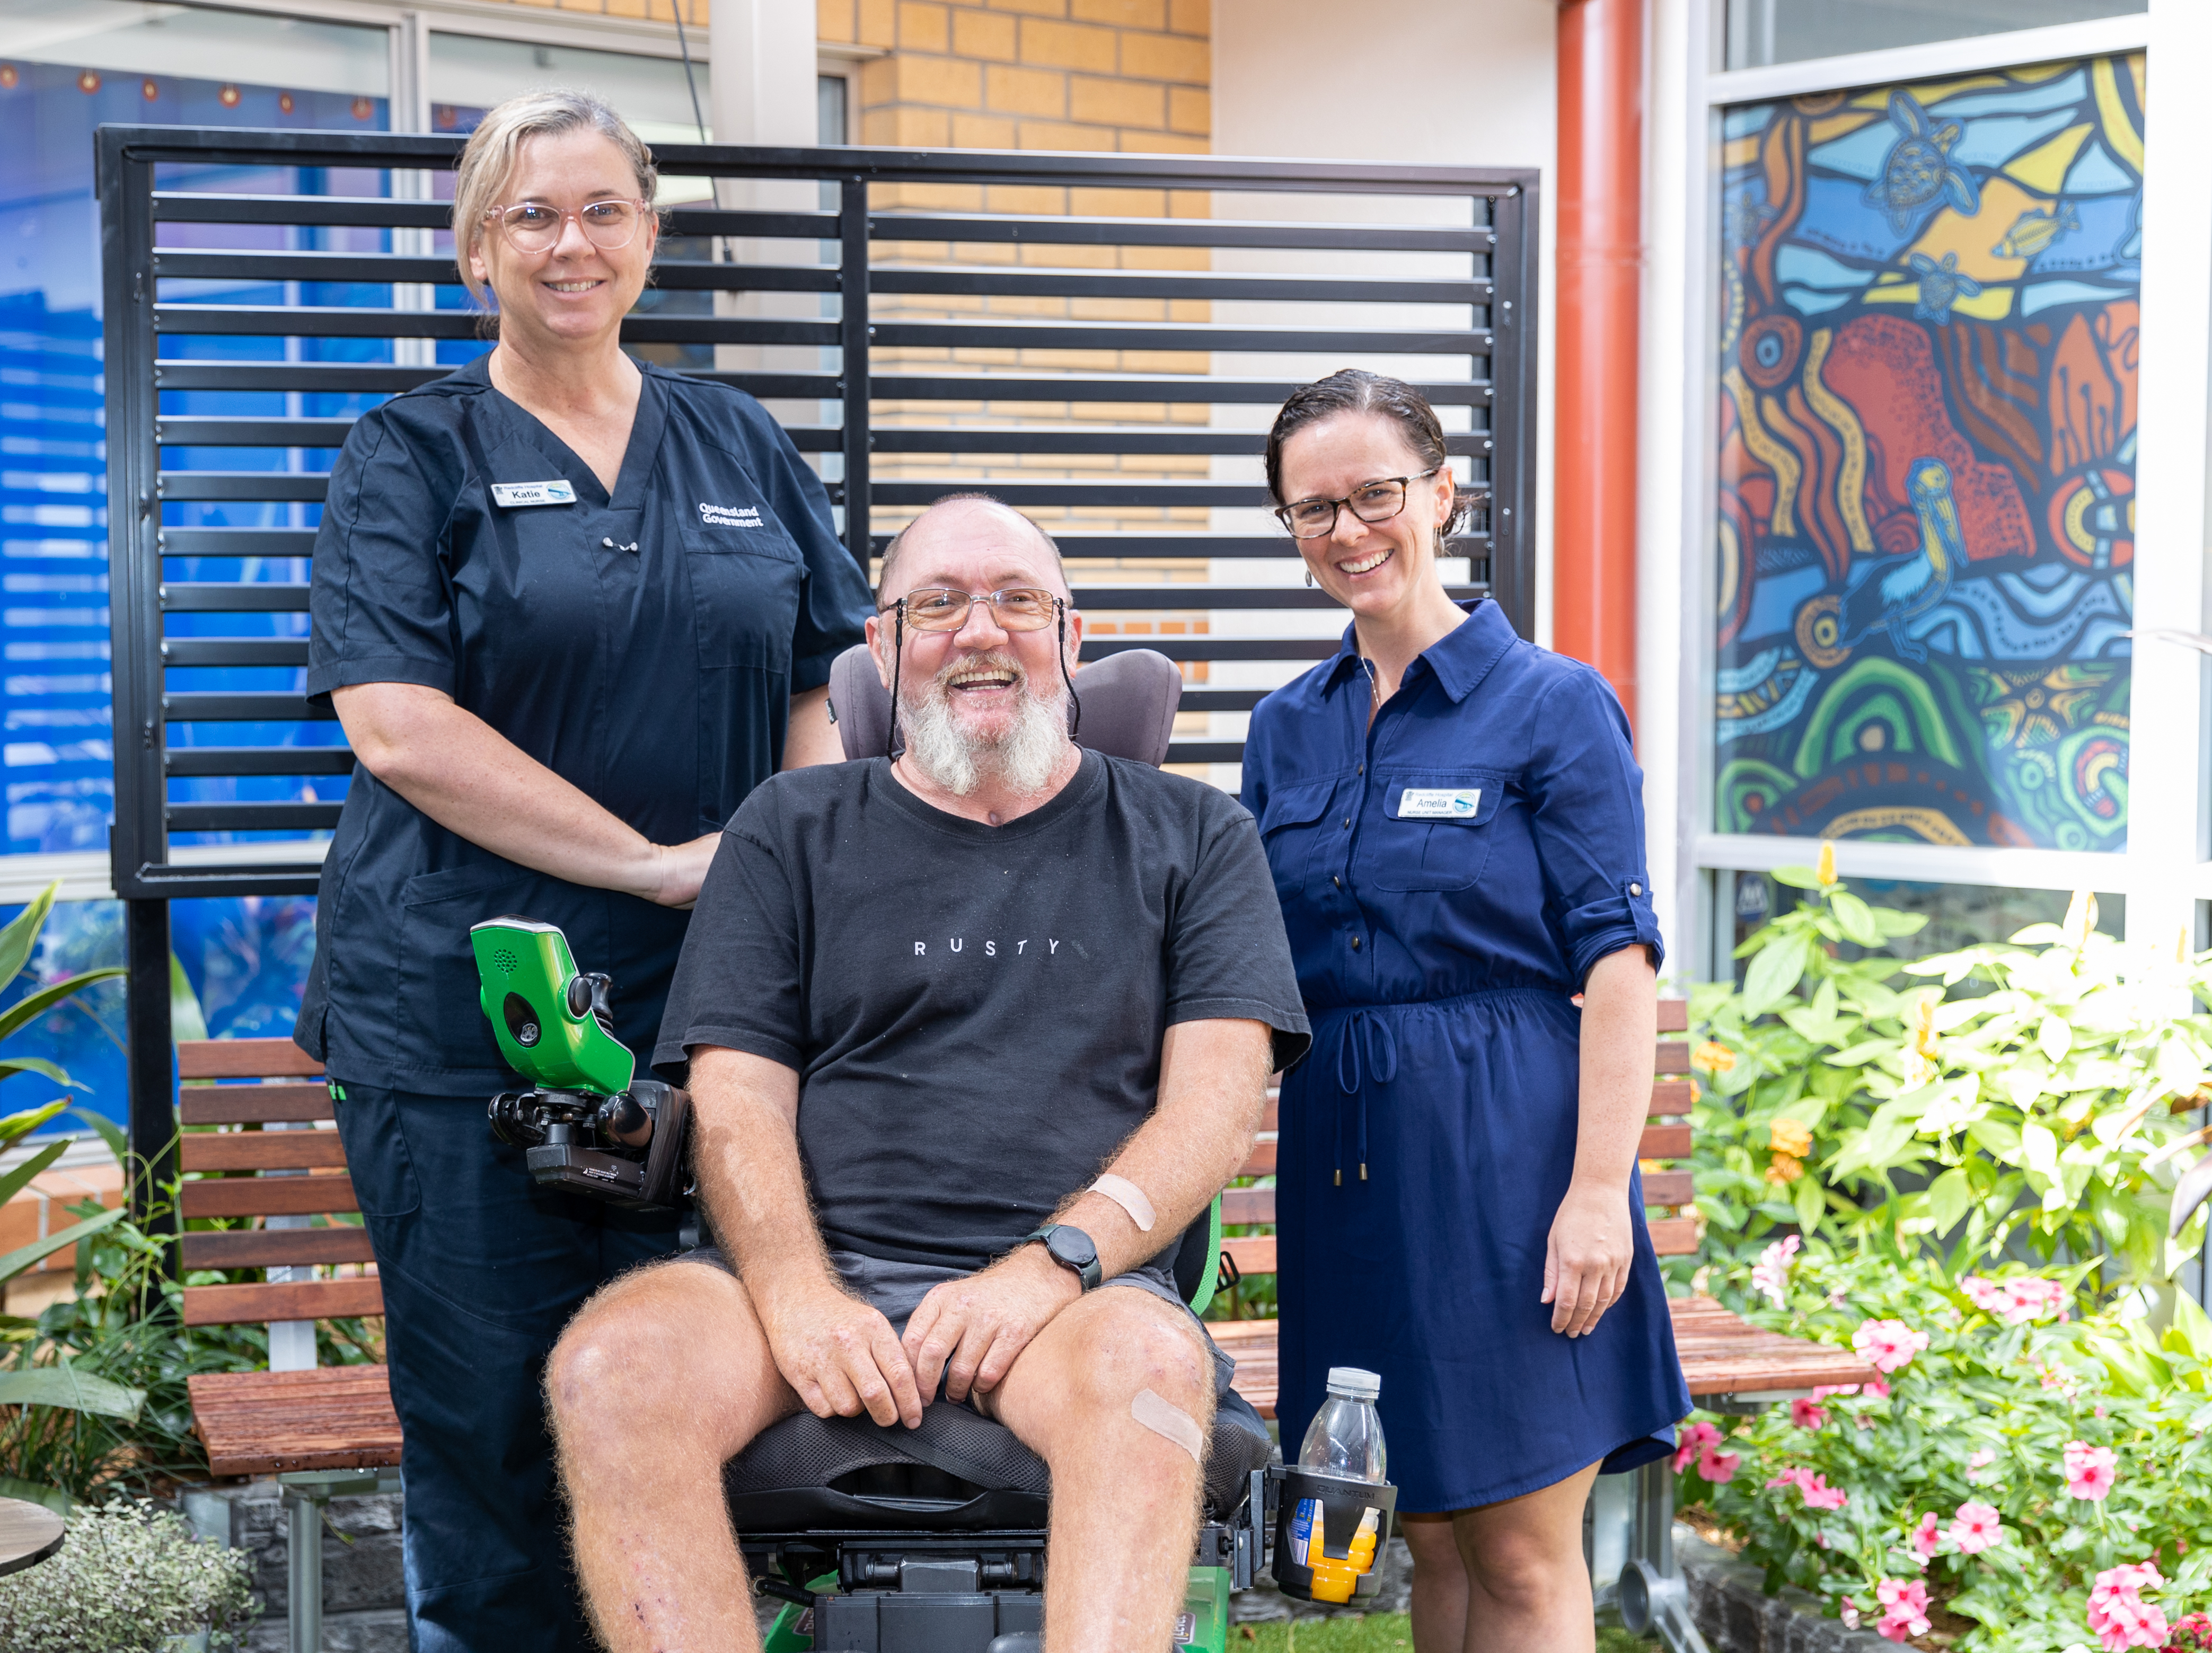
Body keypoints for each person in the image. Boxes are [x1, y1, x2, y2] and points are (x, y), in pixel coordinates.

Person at [290, 89, 874, 1652]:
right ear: (476, 248)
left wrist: (777, 863)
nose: (571, 244)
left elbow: (824, 684)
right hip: (460, 1025)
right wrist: (654, 866)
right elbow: (398, 728)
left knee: (690, 1398)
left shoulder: (737, 439)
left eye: (603, 209)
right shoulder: (408, 454)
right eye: (532, 215)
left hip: (711, 1023)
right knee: (491, 1426)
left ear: (649, 235)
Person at [542, 493, 1311, 1653]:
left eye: (1017, 601)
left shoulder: (1195, 836)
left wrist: (1049, 1268)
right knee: (609, 1367)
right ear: (883, 645)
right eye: (936, 604)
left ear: (1070, 634)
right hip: (806, 1280)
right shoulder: (785, 827)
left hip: (1073, 1304)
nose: (980, 631)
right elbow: (737, 1100)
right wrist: (798, 1296)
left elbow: (1214, 1108)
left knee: (1150, 1368)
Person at [1240, 370, 1689, 1653]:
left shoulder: (1551, 704)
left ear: (1443, 495)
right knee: (1421, 1530)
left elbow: (1618, 964)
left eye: (1373, 494)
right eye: (1312, 508)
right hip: (1347, 1179)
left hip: (1511, 1164)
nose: (1346, 531)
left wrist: (1595, 1195)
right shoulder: (1283, 730)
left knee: (1520, 1551)